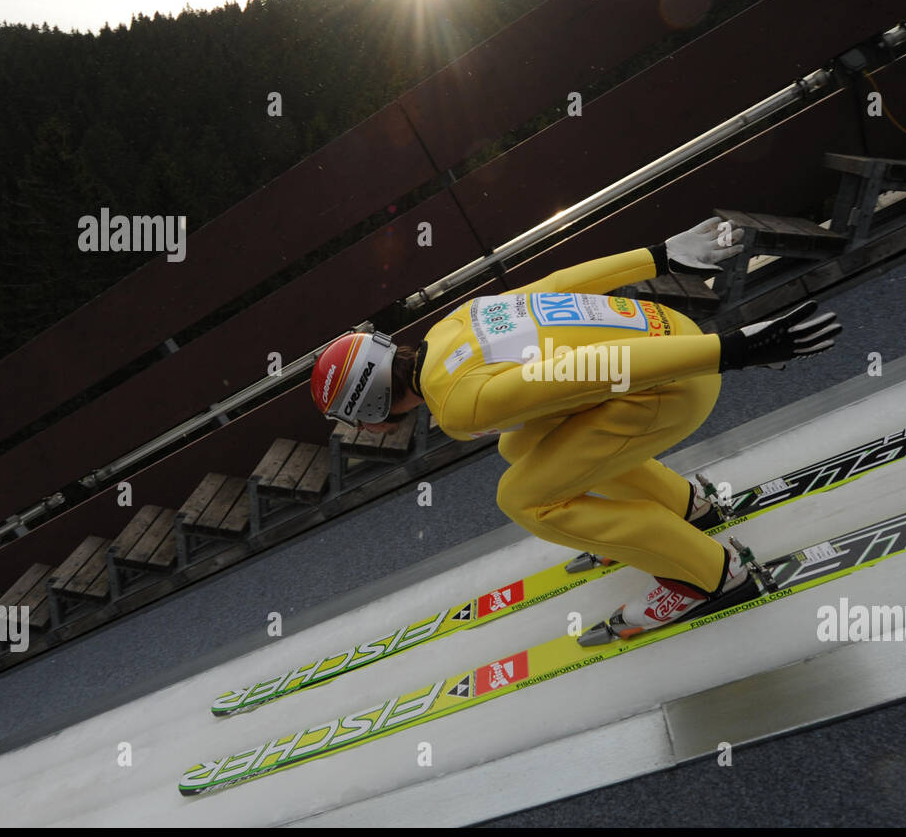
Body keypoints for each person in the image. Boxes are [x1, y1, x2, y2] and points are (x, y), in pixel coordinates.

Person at [310, 218, 841, 643]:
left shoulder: (460, 406)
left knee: (523, 499)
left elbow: (588, 370)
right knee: (520, 444)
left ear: (375, 407)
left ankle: (706, 574)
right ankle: (684, 507)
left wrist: (729, 351)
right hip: (667, 334)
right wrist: (659, 256)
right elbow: (555, 286)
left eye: (358, 420)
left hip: (671, 384)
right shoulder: (449, 327)